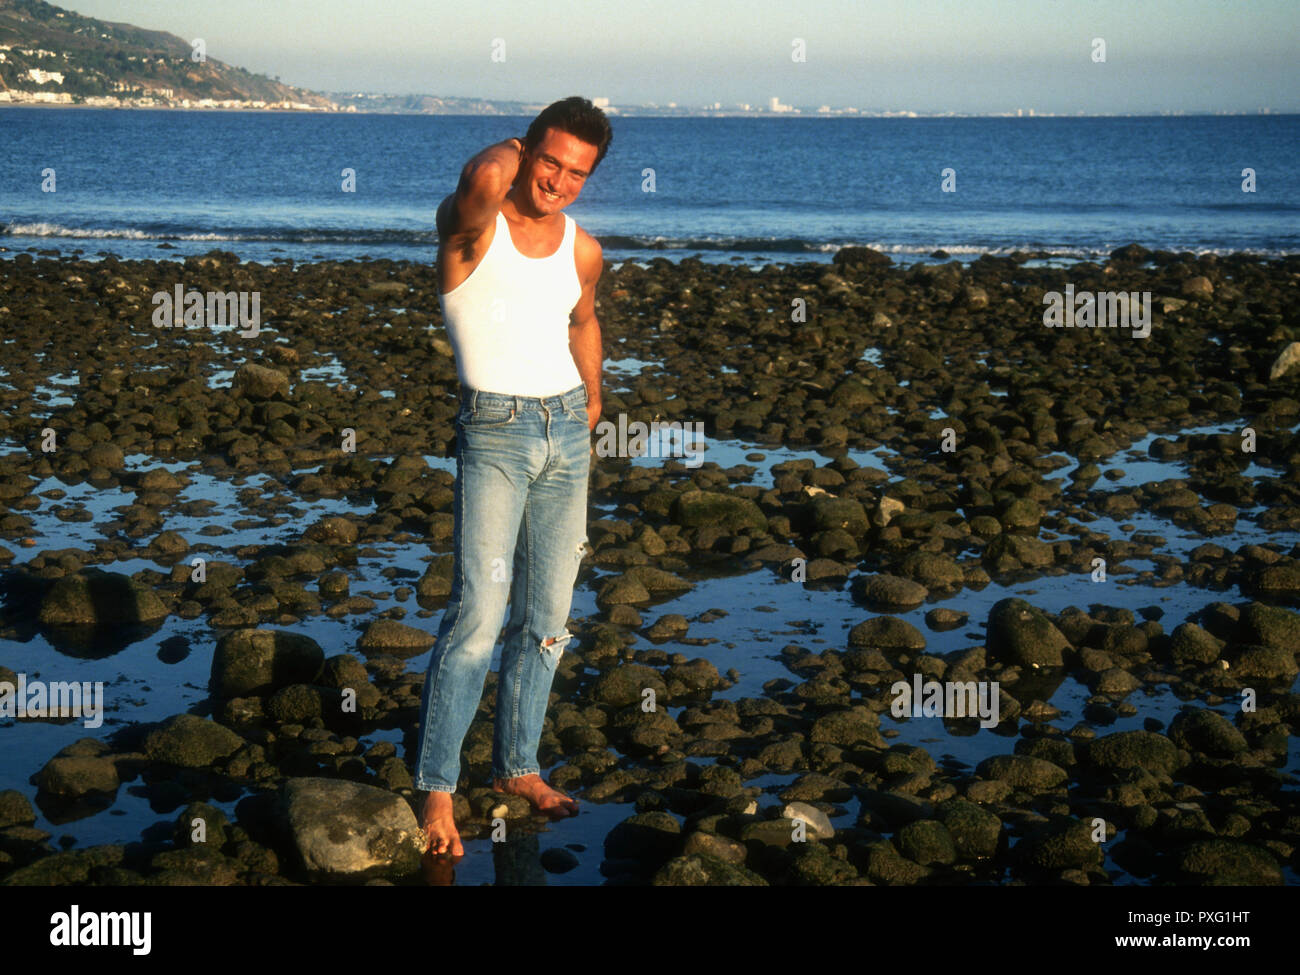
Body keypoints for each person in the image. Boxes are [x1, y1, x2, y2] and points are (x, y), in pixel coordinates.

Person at [414, 96, 612, 858]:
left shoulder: (582, 248)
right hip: (493, 430)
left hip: (566, 429)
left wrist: (593, 395)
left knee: (549, 616)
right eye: (549, 161)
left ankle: (517, 767)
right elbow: (477, 177)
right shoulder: (472, 231)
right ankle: (437, 785)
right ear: (525, 152)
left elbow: (582, 318)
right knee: (478, 615)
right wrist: (511, 145)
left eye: (577, 172)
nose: (559, 181)